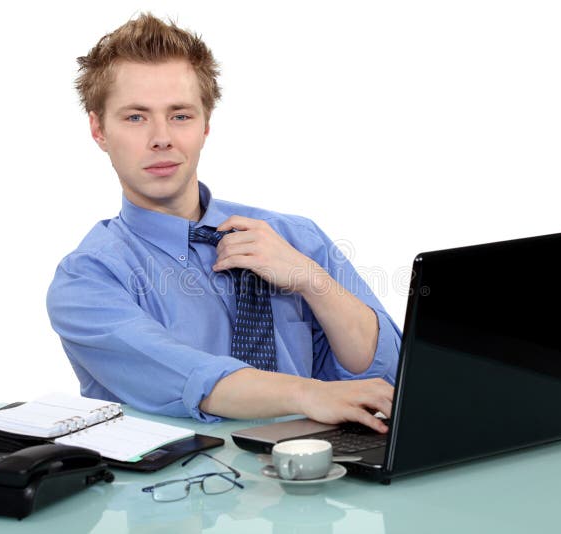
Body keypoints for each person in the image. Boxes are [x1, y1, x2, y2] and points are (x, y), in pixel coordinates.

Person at [46, 13, 400, 433]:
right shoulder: (87, 280)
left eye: (180, 115)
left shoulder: (294, 238)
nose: (162, 138)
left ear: (206, 125)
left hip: (314, 466)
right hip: (177, 474)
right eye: (136, 117)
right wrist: (309, 393)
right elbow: (192, 377)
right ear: (99, 130)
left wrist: (311, 280)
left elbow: (387, 377)